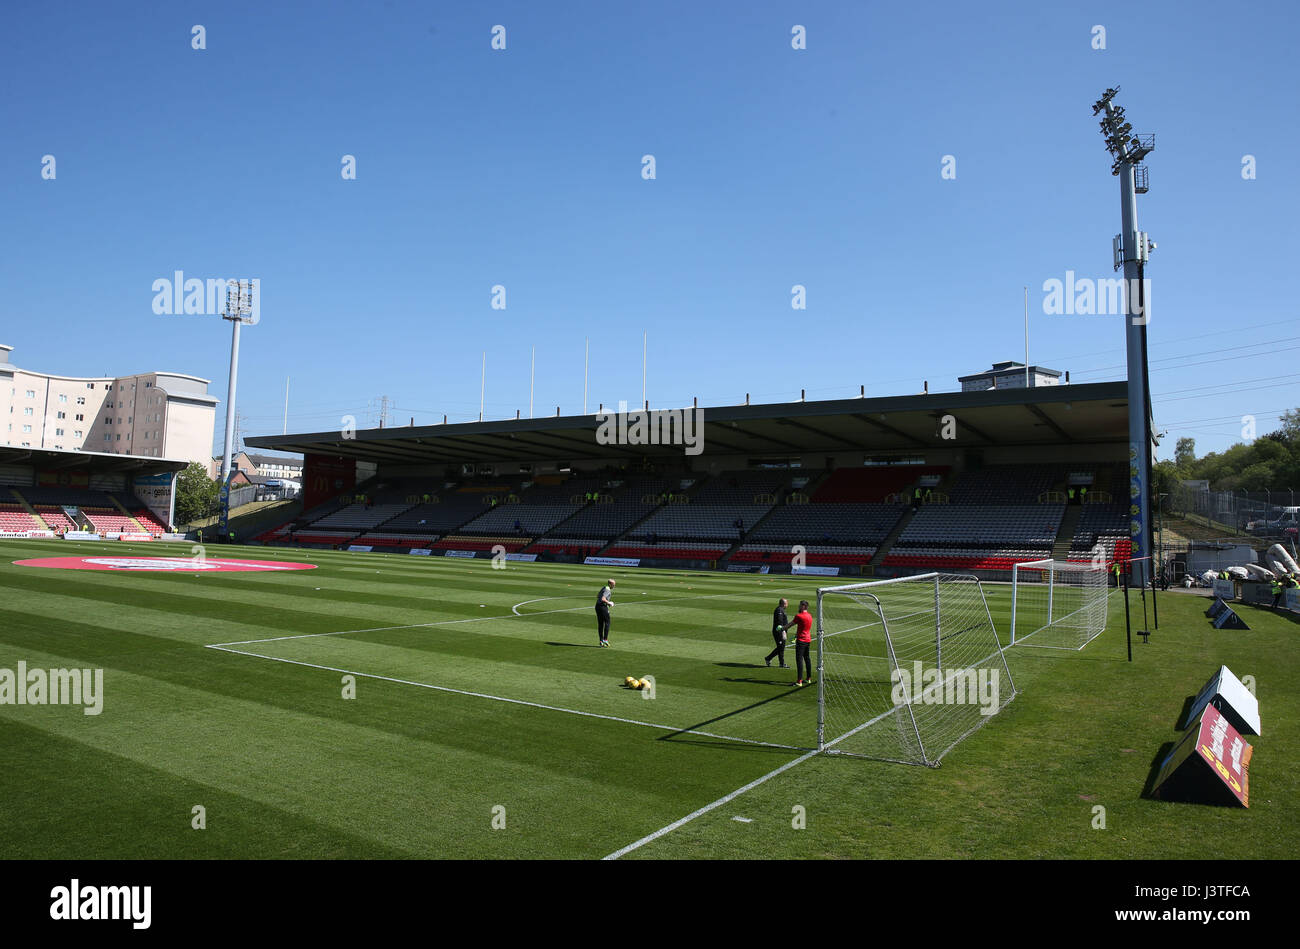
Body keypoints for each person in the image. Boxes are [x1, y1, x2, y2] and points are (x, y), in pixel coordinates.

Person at [790, 599, 814, 687]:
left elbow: (790, 624)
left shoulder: (799, 616)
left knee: (799, 660)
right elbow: (802, 627)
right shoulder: (810, 616)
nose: (799, 606)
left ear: (803, 606)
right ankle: (808, 678)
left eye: (800, 605)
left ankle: (799, 681)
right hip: (808, 639)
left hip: (801, 641)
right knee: (807, 658)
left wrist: (782, 628)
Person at [765, 597, 792, 668]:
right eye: (787, 603)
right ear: (784, 604)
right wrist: (783, 631)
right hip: (779, 632)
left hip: (781, 631)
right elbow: (779, 622)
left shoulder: (781, 609)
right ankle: (779, 662)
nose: (787, 605)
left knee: (781, 647)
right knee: (781, 648)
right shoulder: (779, 610)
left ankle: (771, 659)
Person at [595, 578, 616, 647]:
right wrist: (609, 603)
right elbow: (603, 599)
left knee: (600, 623)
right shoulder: (607, 589)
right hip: (602, 607)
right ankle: (605, 639)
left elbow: (598, 595)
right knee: (607, 622)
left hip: (597, 606)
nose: (614, 586)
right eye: (613, 585)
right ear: (610, 584)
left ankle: (601, 640)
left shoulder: (604, 587)